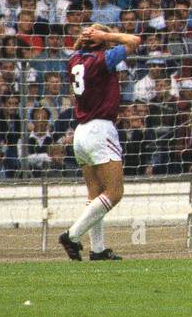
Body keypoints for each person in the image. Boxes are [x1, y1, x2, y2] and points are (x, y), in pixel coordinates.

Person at [58, 23, 142, 261]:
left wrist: (89, 37)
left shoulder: (74, 59)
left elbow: (79, 47)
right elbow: (134, 41)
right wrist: (106, 35)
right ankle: (72, 235)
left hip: (80, 132)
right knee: (114, 193)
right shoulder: (101, 59)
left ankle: (98, 249)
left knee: (95, 193)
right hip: (100, 129)